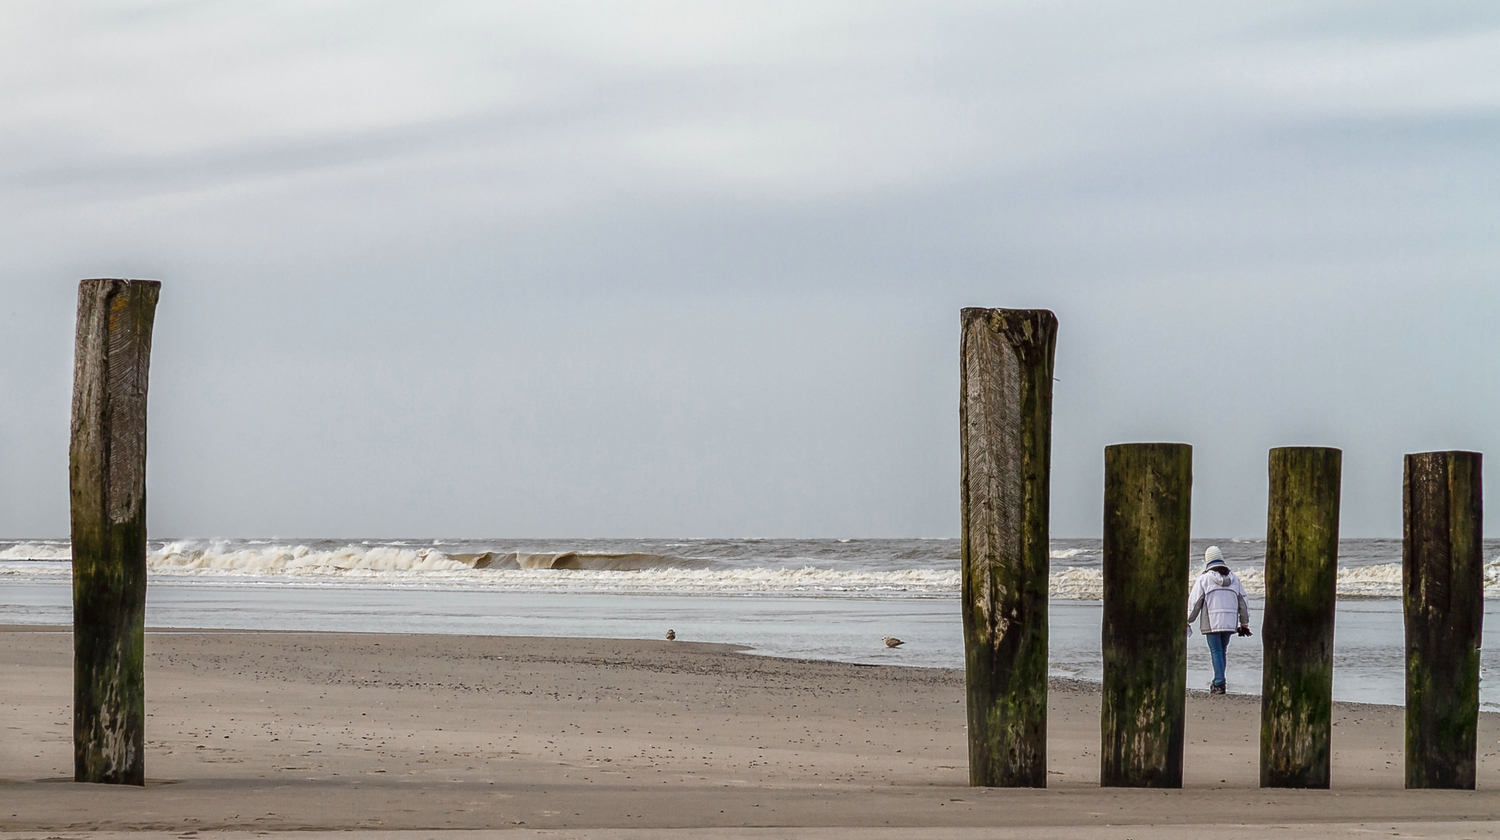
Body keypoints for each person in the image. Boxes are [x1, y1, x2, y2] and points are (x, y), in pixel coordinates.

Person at [1187, 546, 1251, 694]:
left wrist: (1188, 619)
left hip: (1212, 622)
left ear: (1207, 561)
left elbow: (1195, 602)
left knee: (1215, 651)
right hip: (1230, 622)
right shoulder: (1235, 579)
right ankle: (1220, 680)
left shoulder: (1204, 579)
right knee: (1222, 651)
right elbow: (1243, 602)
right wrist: (1244, 622)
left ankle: (1219, 682)